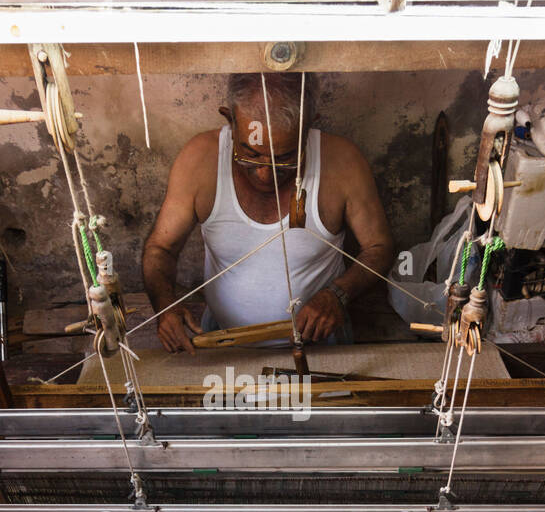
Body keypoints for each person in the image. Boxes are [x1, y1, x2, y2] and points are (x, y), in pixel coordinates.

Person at [142, 72, 394, 353]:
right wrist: (165, 307)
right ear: (230, 121)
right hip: (222, 346)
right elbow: (161, 248)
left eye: (284, 158)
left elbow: (379, 247)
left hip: (320, 349)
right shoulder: (200, 159)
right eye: (250, 154)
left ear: (308, 127)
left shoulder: (342, 162)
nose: (265, 175)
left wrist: (338, 295)